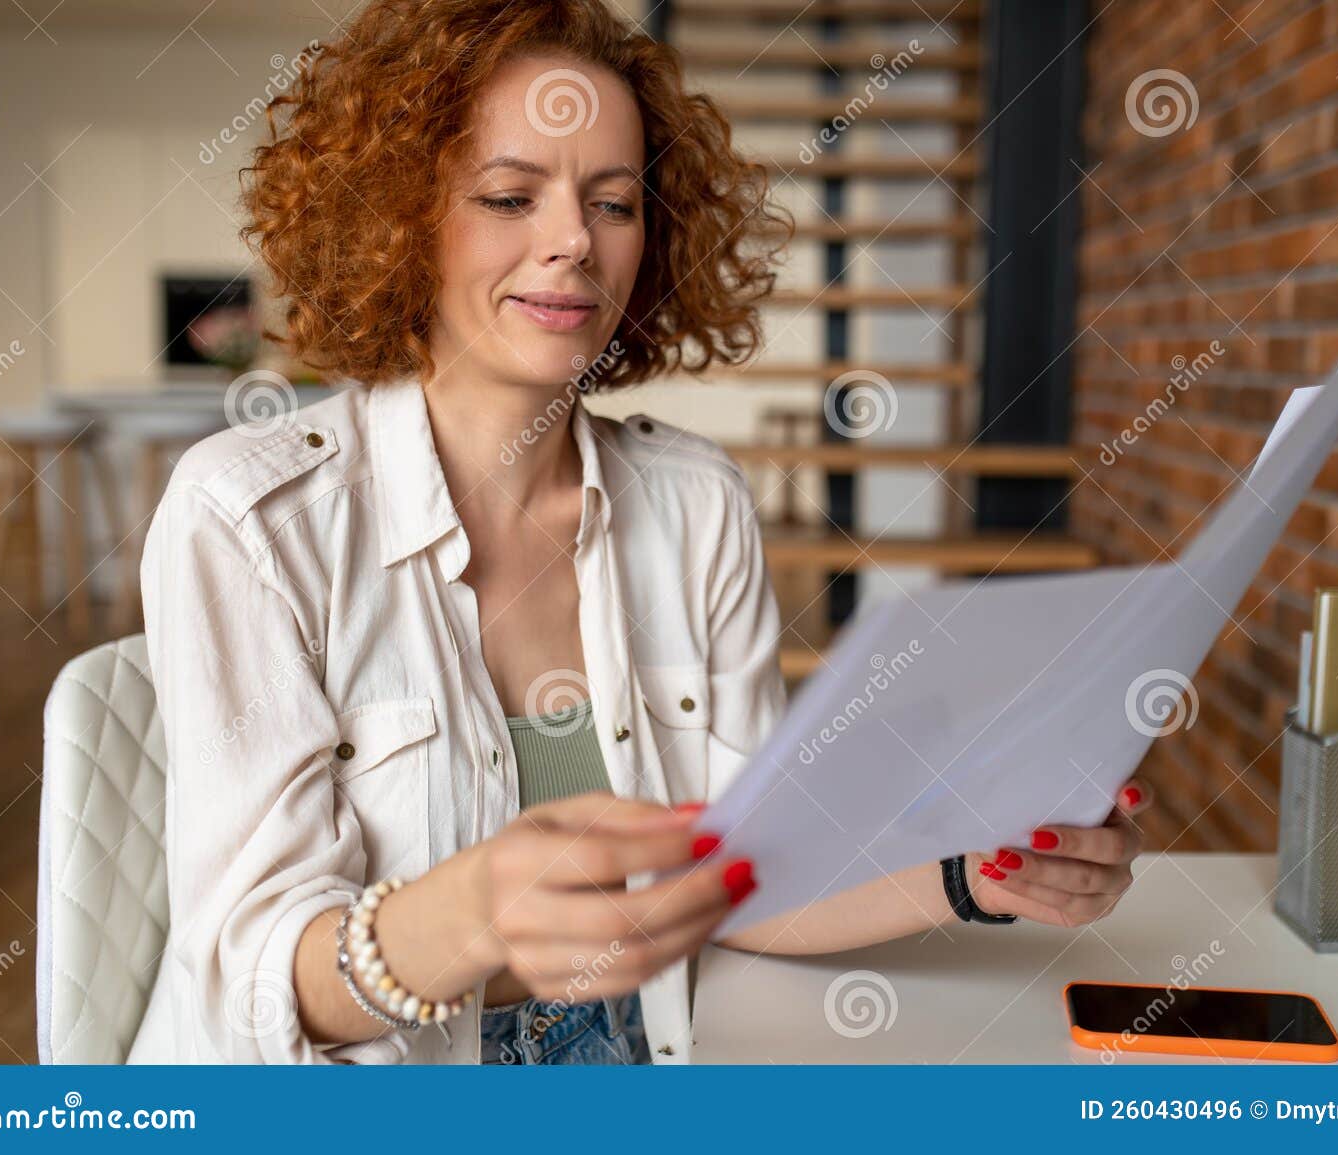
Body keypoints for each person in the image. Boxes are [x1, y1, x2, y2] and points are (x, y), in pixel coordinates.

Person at [127, 0, 1152, 1066]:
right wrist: (472, 911)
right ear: (396, 221)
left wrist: (976, 870)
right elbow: (253, 989)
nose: (573, 240)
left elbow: (740, 877)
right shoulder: (249, 518)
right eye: (509, 196)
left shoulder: (694, 504)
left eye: (613, 203)